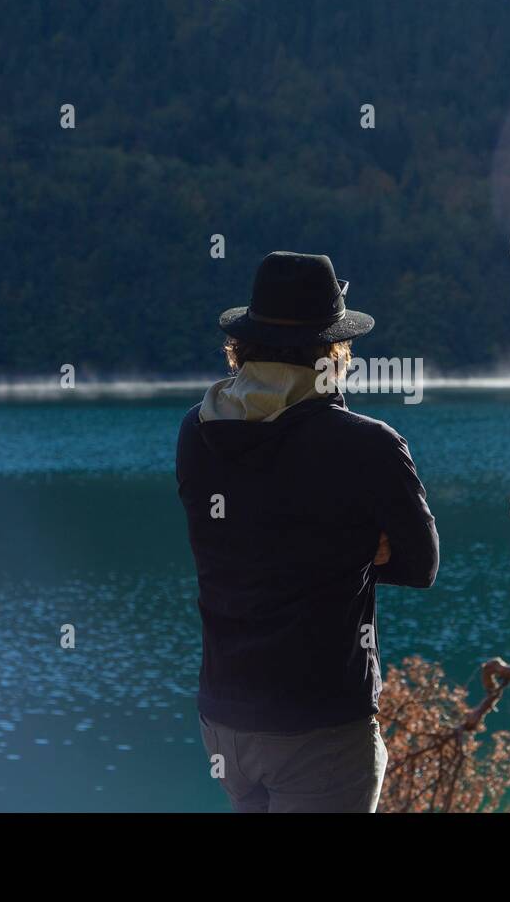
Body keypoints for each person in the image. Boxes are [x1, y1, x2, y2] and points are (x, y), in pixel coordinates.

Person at [176, 251, 439, 812]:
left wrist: (322, 546)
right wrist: (356, 548)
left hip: (225, 720)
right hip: (316, 725)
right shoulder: (367, 445)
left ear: (242, 348)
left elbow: (240, 540)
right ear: (332, 352)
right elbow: (421, 566)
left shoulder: (198, 430)